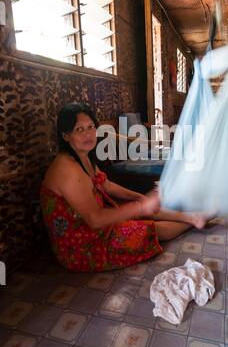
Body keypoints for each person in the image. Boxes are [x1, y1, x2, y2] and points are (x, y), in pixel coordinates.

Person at [40, 103, 208, 272]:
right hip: (80, 245)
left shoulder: (83, 157)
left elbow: (106, 185)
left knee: (143, 208)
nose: (88, 134)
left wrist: (139, 198)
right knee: (148, 228)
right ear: (65, 135)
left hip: (92, 224)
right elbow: (95, 220)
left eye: (91, 127)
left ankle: (191, 217)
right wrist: (140, 207)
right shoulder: (67, 169)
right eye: (79, 129)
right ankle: (196, 221)